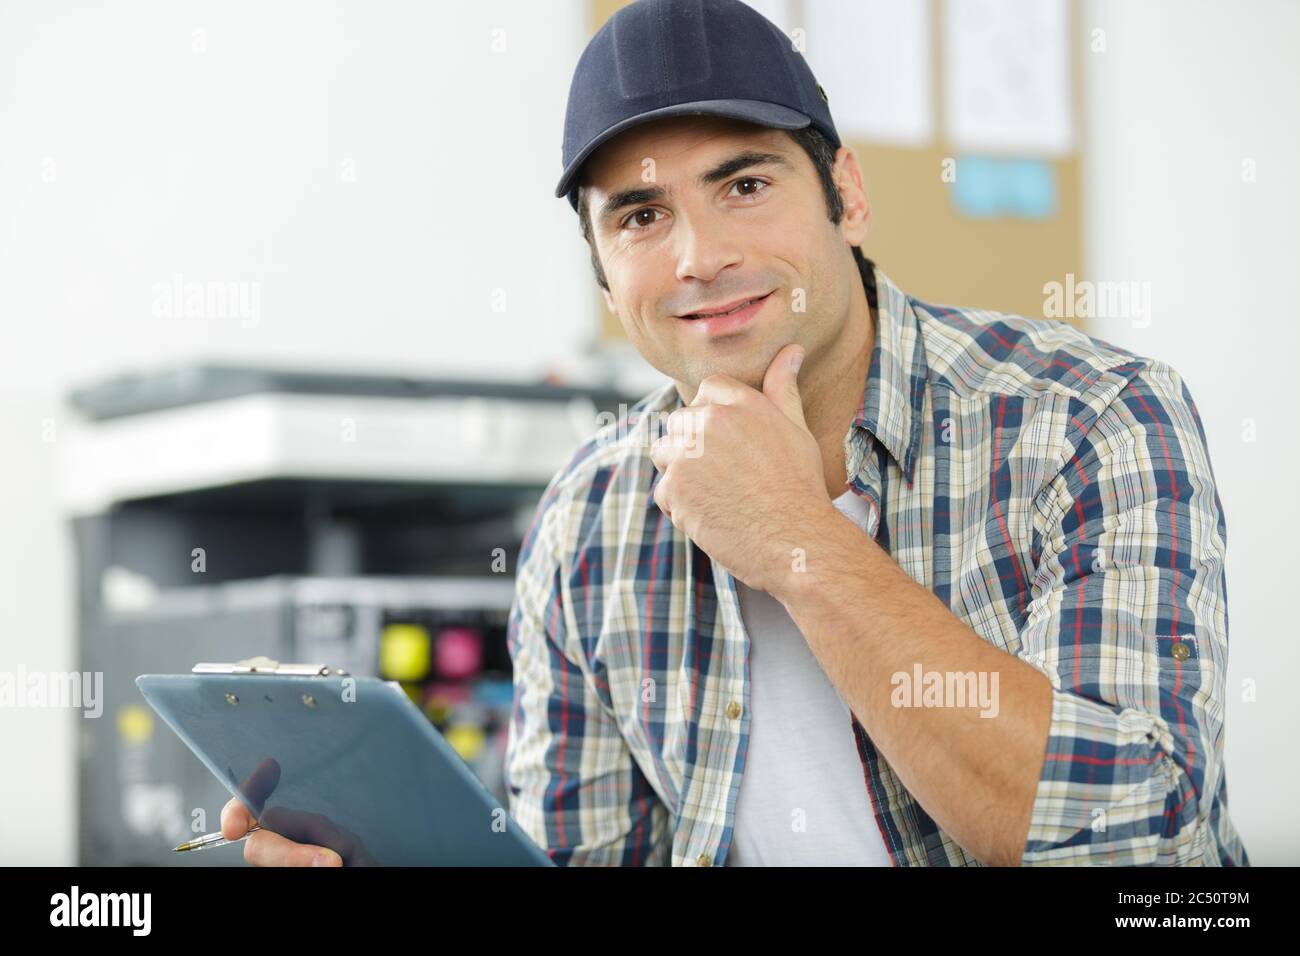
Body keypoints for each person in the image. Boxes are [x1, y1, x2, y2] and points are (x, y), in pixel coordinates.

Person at [226, 0, 1248, 867]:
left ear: (846, 194)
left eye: (745, 185)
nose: (698, 256)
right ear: (601, 269)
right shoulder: (591, 512)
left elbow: (1136, 842)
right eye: (638, 216)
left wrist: (795, 538)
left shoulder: (1092, 417)